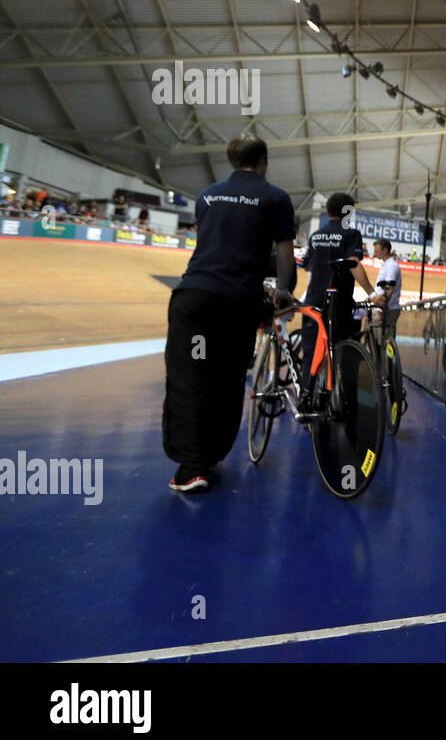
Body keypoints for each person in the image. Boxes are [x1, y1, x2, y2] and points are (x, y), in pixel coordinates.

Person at [162, 135, 296, 492]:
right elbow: (284, 254)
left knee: (190, 377)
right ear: (264, 161)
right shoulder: (277, 198)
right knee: (228, 379)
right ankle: (210, 456)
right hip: (238, 305)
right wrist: (282, 291)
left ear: (231, 160)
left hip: (194, 300)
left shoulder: (207, 195)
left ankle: (192, 466)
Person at [300, 193, 374, 388]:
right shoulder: (351, 234)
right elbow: (354, 264)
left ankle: (306, 400)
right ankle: (337, 402)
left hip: (313, 301)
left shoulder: (316, 236)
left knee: (310, 354)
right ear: (349, 213)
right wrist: (373, 294)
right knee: (339, 352)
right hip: (337, 305)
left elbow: (308, 266)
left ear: (327, 211)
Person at [367, 237, 403, 339]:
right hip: (385, 308)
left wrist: (381, 308)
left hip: (386, 310)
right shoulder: (387, 264)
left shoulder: (391, 265)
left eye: (376, 250)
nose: (374, 253)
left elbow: (389, 288)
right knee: (381, 341)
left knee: (383, 342)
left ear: (385, 250)